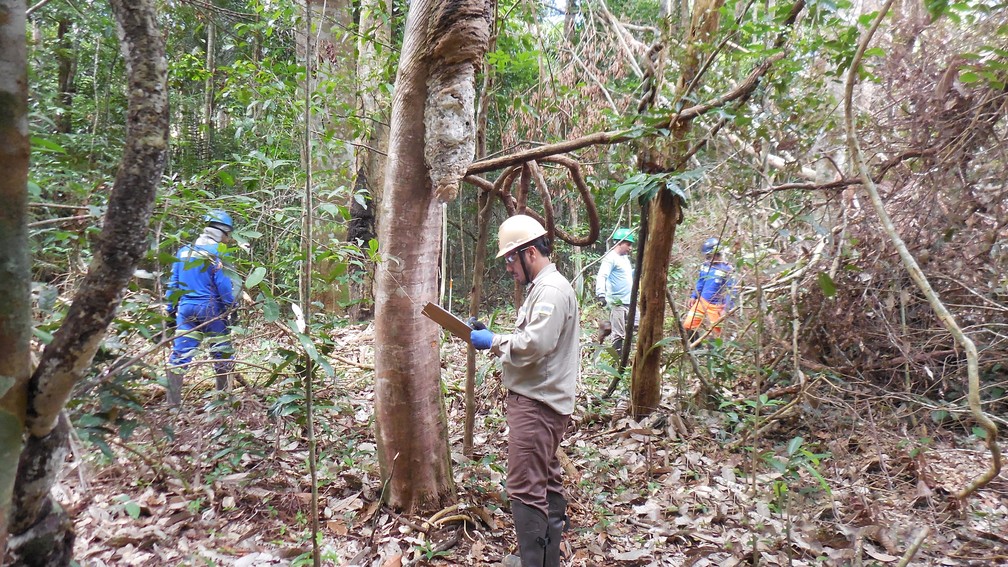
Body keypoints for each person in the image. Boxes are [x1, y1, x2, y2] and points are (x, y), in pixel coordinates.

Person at [470, 214, 579, 567]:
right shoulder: (543, 288)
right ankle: (547, 560)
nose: (507, 267)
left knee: (524, 489)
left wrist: (494, 342)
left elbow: (536, 344)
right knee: (545, 482)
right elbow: (532, 339)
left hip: (537, 405)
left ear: (529, 253)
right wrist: (496, 337)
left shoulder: (550, 289)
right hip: (539, 401)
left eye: (510, 259)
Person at [164, 209, 238, 406]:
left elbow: (173, 284)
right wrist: (232, 308)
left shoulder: (183, 252)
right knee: (222, 355)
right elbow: (223, 286)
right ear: (222, 232)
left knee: (180, 356)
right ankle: (223, 403)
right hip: (210, 310)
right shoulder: (217, 253)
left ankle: (172, 405)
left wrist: (170, 310)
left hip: (186, 310)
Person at [682, 237, 735, 345]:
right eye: (708, 256)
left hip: (717, 306)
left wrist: (727, 308)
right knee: (688, 325)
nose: (710, 258)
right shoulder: (705, 266)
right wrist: (693, 296)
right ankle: (696, 350)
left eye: (711, 256)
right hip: (702, 301)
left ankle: (712, 358)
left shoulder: (727, 268)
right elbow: (701, 282)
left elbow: (732, 290)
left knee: (715, 334)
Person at [595, 227, 636, 356]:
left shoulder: (624, 258)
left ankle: (607, 326)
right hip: (617, 302)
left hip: (629, 300)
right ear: (619, 243)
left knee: (637, 325)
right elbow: (602, 275)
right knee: (619, 336)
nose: (630, 248)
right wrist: (601, 294)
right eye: (628, 244)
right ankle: (617, 364)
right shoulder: (610, 258)